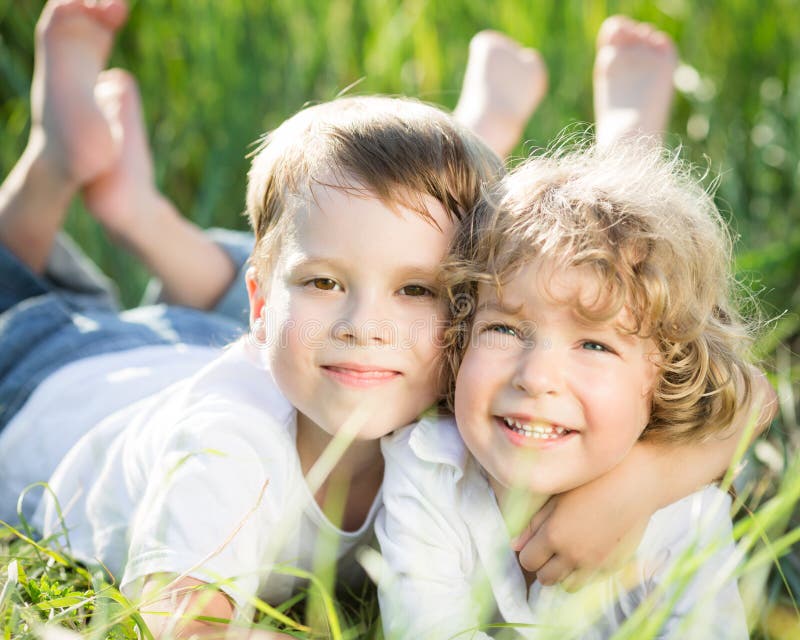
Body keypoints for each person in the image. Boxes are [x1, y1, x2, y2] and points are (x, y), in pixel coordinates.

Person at [0, 2, 773, 638]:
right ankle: (52, 160)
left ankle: (515, 141)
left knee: (349, 240)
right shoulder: (226, 449)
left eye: (419, 292)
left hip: (198, 349)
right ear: (260, 306)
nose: (369, 326)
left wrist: (639, 486)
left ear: (464, 318)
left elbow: (728, 382)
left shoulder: (470, 388)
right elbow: (186, 621)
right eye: (329, 286)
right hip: (44, 375)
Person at [376, 139, 769, 638]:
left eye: (594, 346)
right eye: (504, 330)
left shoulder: (684, 521)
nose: (535, 377)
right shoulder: (428, 466)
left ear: (664, 377)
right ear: (461, 336)